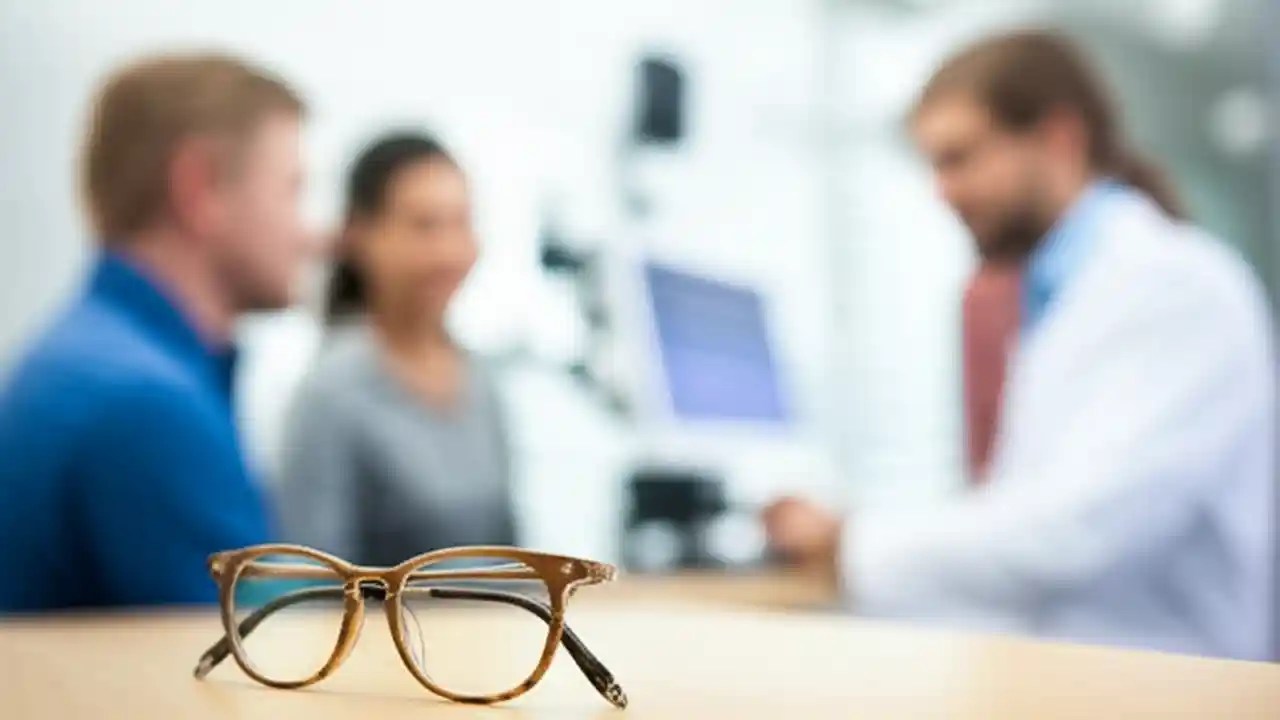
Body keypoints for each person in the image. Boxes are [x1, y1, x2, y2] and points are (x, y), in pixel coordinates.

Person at [764, 30, 1275, 660]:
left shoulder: (1176, 284)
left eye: (960, 158)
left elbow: (1079, 532)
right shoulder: (1063, 299)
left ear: (1058, 139)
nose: (941, 191)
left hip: (1167, 685)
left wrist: (850, 543)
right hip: (1073, 673)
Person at [0, 55, 309, 610]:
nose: (308, 232)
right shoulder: (144, 405)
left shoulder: (84, 360)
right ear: (201, 188)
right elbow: (264, 662)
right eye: (292, 189)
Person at [277, 132, 516, 566]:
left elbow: (514, 559)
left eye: (461, 222)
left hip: (498, 630)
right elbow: (313, 585)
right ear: (358, 235)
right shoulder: (331, 394)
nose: (449, 251)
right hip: (384, 635)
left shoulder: (481, 379)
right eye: (424, 226)